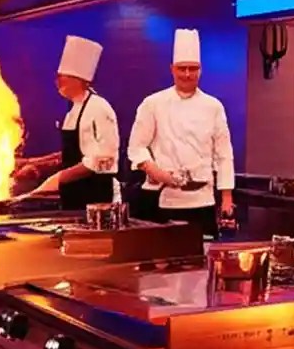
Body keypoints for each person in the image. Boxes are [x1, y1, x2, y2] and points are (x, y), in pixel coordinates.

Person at [126, 28, 235, 237]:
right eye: (182, 68)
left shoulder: (213, 106)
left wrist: (227, 197)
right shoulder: (153, 103)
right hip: (163, 197)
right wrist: (152, 169)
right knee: (162, 260)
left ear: (200, 70)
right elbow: (136, 146)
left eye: (192, 69)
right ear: (172, 69)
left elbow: (224, 155)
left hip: (202, 199)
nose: (187, 74)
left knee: (201, 258)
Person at [13, 36, 120, 210]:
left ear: (79, 79)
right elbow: (71, 154)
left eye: (62, 77)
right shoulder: (74, 110)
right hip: (72, 195)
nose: (57, 82)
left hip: (94, 197)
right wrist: (33, 162)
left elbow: (102, 159)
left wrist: (57, 179)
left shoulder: (98, 108)